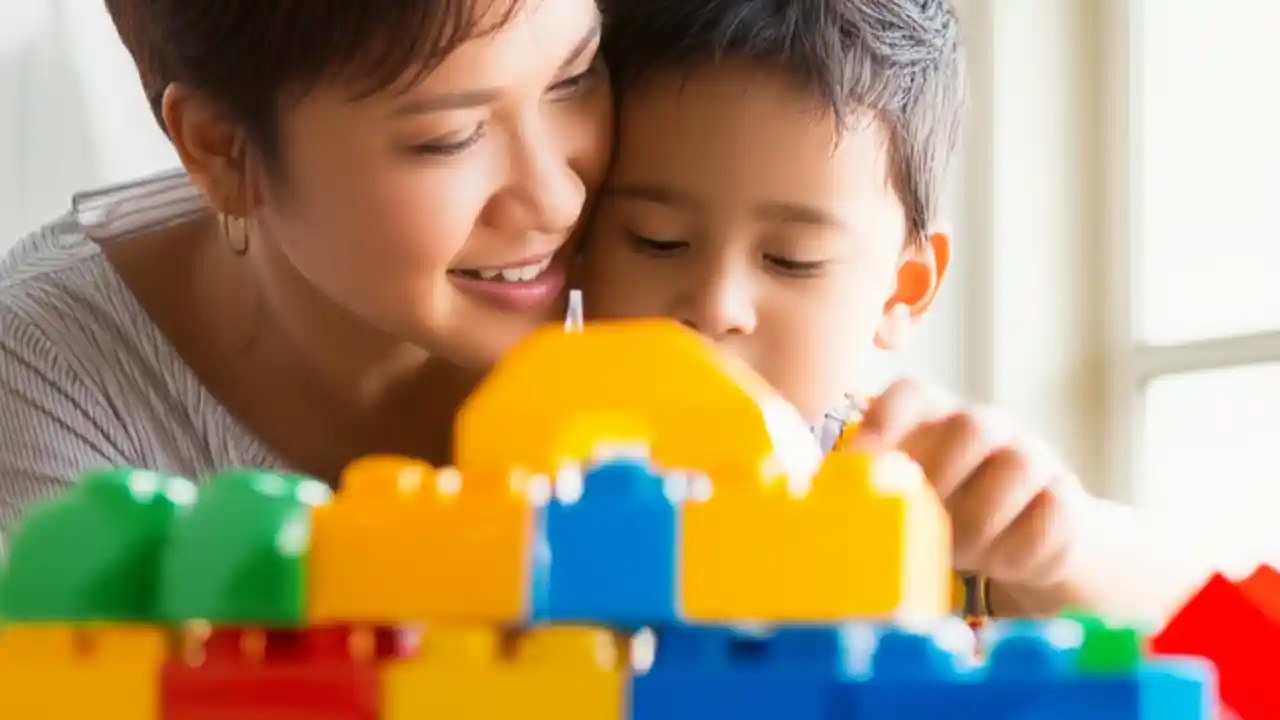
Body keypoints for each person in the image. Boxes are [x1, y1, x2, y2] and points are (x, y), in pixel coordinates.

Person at [578, 0, 1197, 622]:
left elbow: (1247, 639)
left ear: (903, 290)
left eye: (793, 259)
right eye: (656, 239)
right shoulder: (524, 471)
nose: (716, 305)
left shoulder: (925, 501)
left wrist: (1064, 546)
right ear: (578, 244)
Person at [0, 0, 613, 534]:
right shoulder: (49, 388)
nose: (559, 200)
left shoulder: (670, 245)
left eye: (574, 79)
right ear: (223, 150)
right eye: (449, 137)